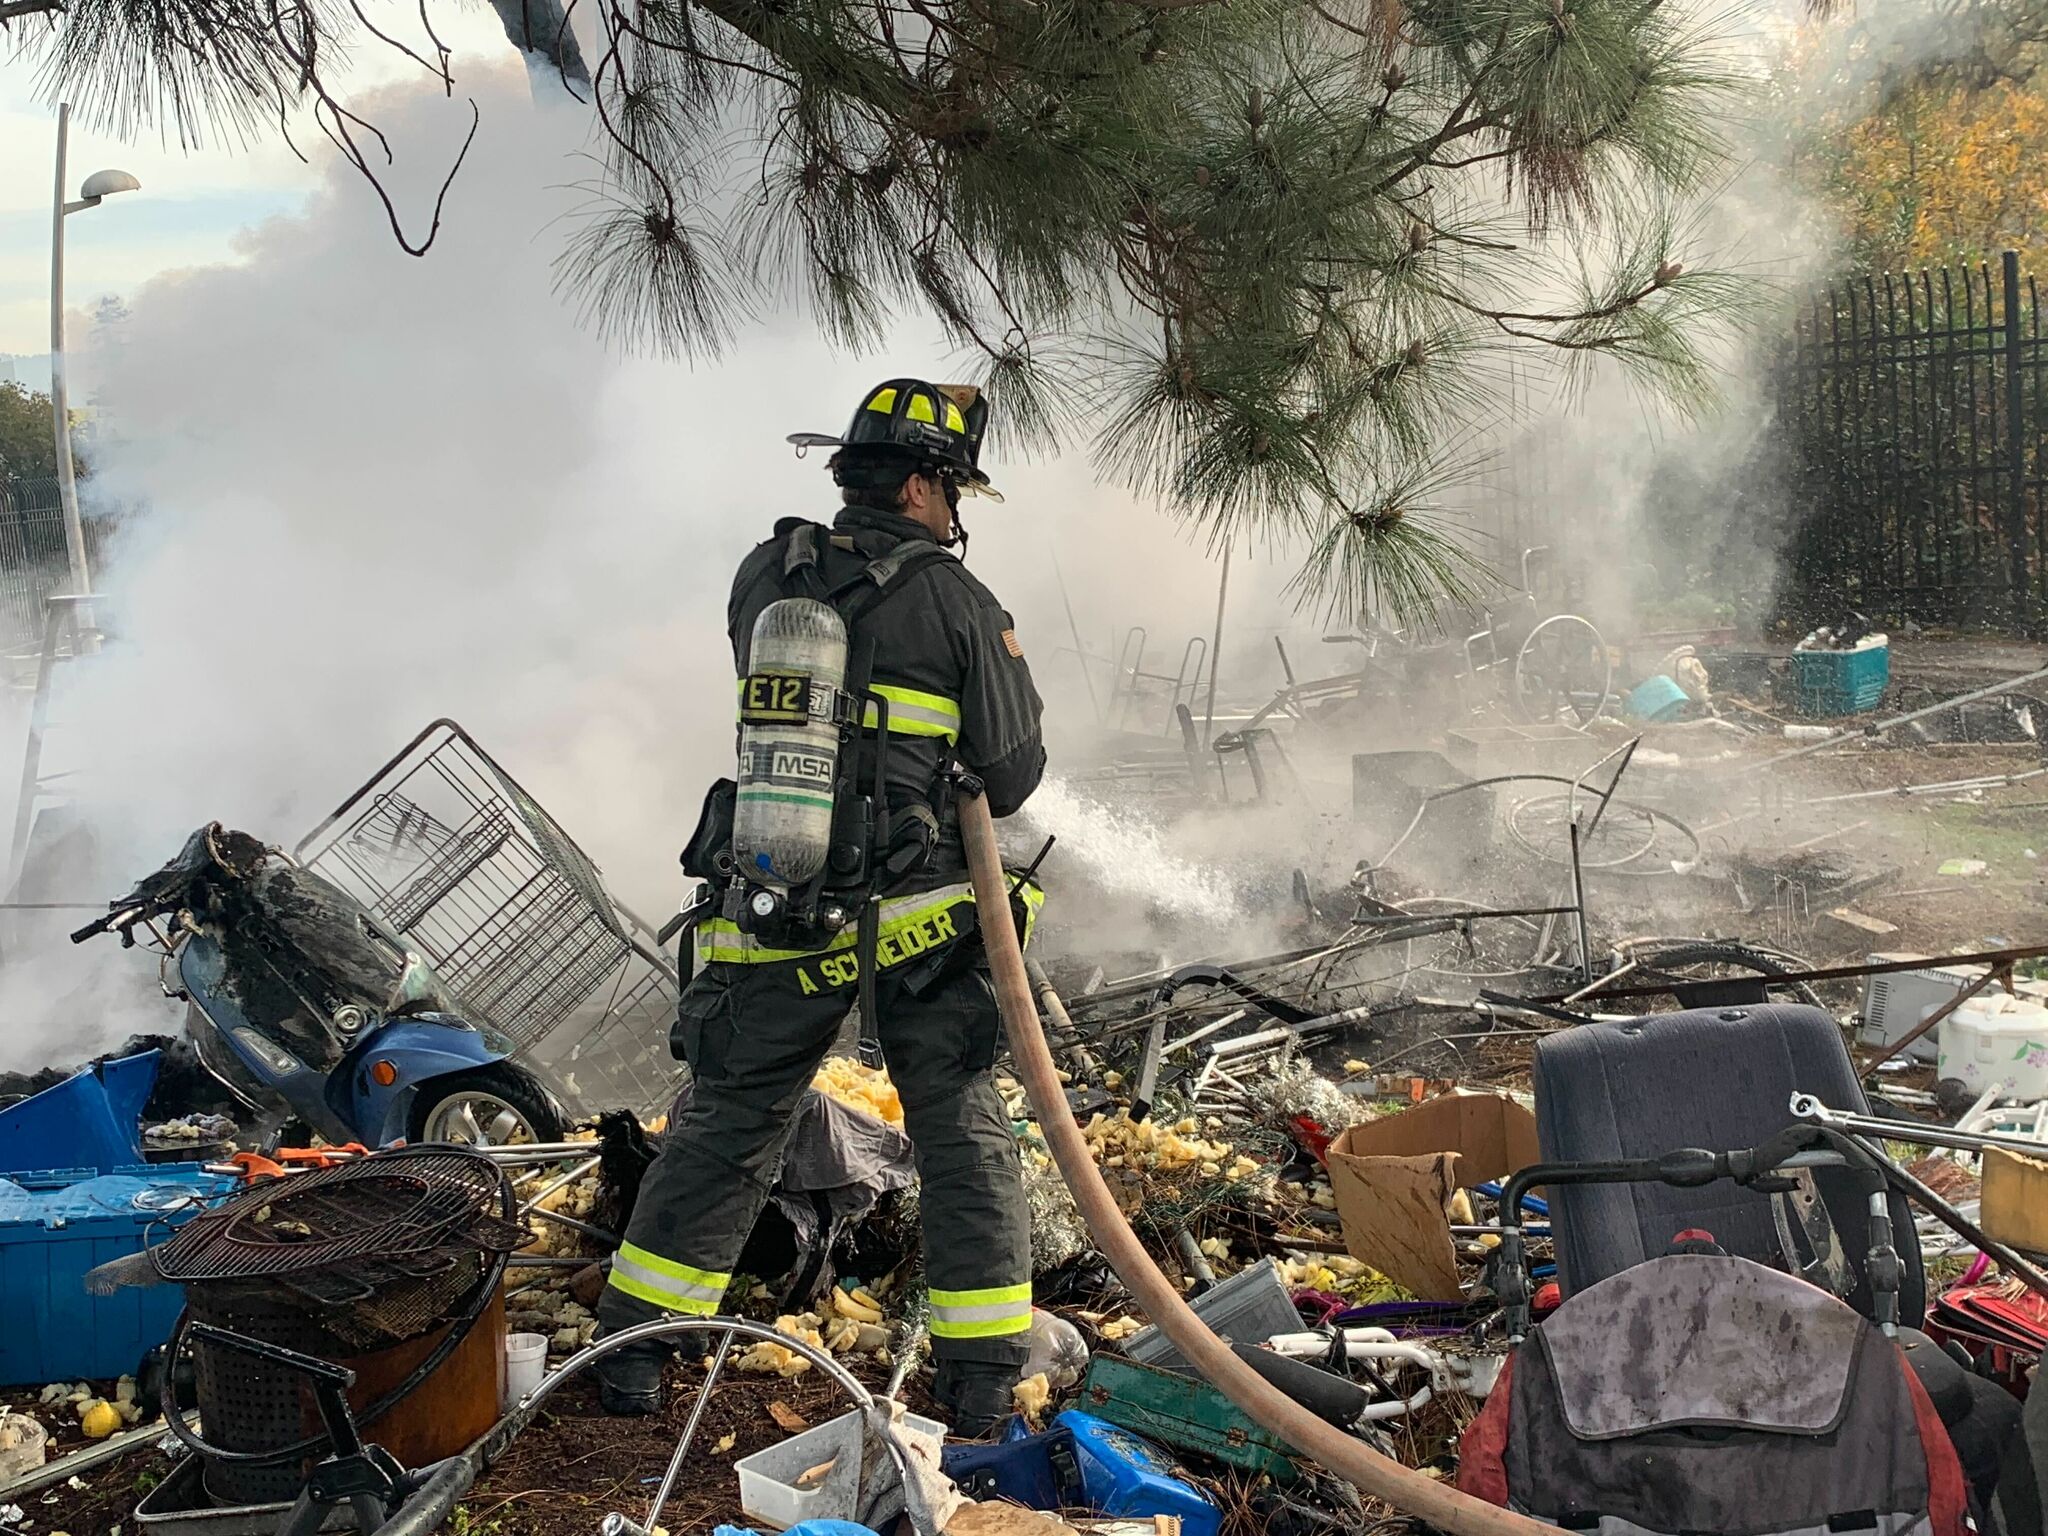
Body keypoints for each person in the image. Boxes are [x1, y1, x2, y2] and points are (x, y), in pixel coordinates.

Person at [593, 379, 1047, 1435]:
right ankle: (979, 1382)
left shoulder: (767, 574)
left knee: (726, 1123)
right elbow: (1012, 771)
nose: (955, 511)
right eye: (954, 489)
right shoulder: (957, 602)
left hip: (775, 897)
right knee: (955, 1122)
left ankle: (632, 1357)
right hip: (917, 917)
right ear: (928, 487)